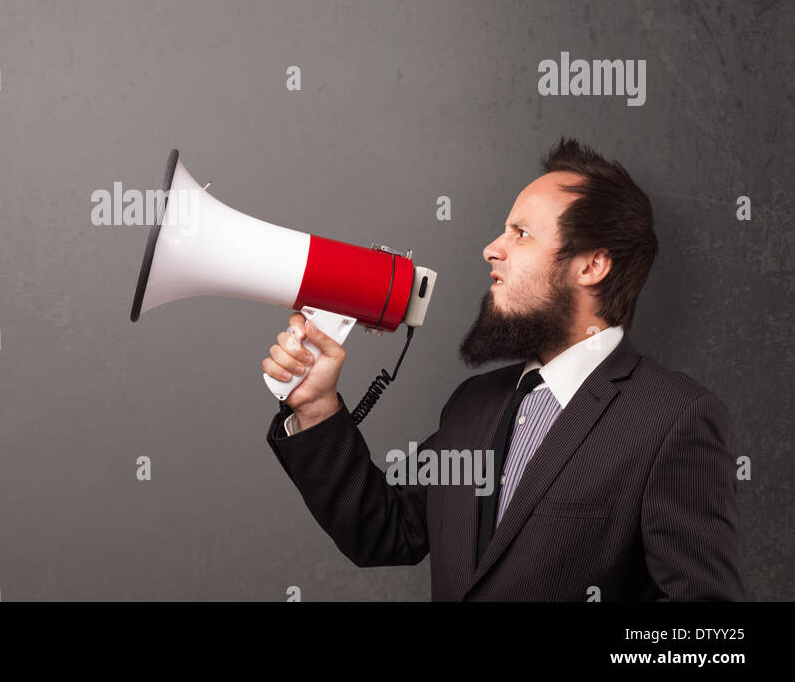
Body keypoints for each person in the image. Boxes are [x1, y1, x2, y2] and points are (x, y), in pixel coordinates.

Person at [263, 137, 744, 601]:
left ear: (592, 265)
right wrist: (318, 407)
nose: (492, 249)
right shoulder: (474, 404)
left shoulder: (673, 418)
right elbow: (387, 533)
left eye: (521, 234)